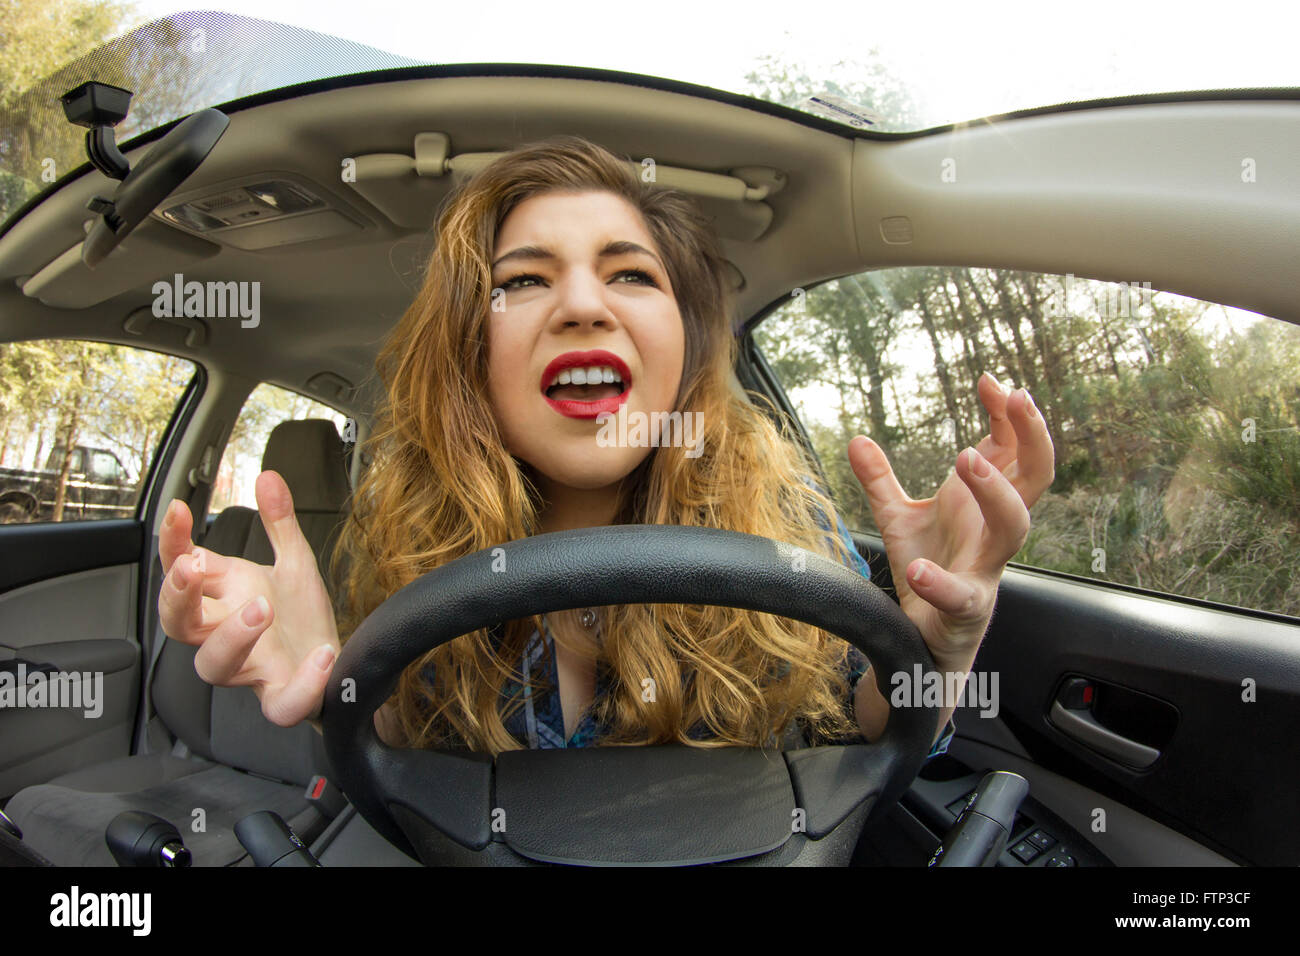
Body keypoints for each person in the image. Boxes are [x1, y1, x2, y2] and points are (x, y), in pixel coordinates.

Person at [156, 135, 1053, 760]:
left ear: (687, 350)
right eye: (523, 280)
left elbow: (870, 734)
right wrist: (335, 675)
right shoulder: (412, 554)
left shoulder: (787, 536)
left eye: (631, 273)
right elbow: (405, 745)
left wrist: (936, 647)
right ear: (475, 355)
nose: (584, 305)